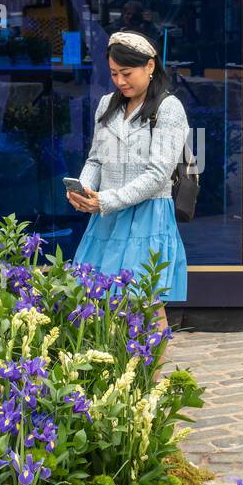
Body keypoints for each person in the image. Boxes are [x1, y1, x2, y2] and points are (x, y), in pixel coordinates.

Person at [68, 29, 189, 338]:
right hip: (106, 218)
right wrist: (82, 189)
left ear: (150, 66)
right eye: (113, 74)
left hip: (146, 216)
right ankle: (121, 379)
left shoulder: (168, 108)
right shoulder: (108, 104)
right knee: (99, 299)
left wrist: (105, 201)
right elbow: (95, 160)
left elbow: (157, 175)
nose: (120, 81)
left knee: (145, 304)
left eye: (126, 73)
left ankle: (152, 381)